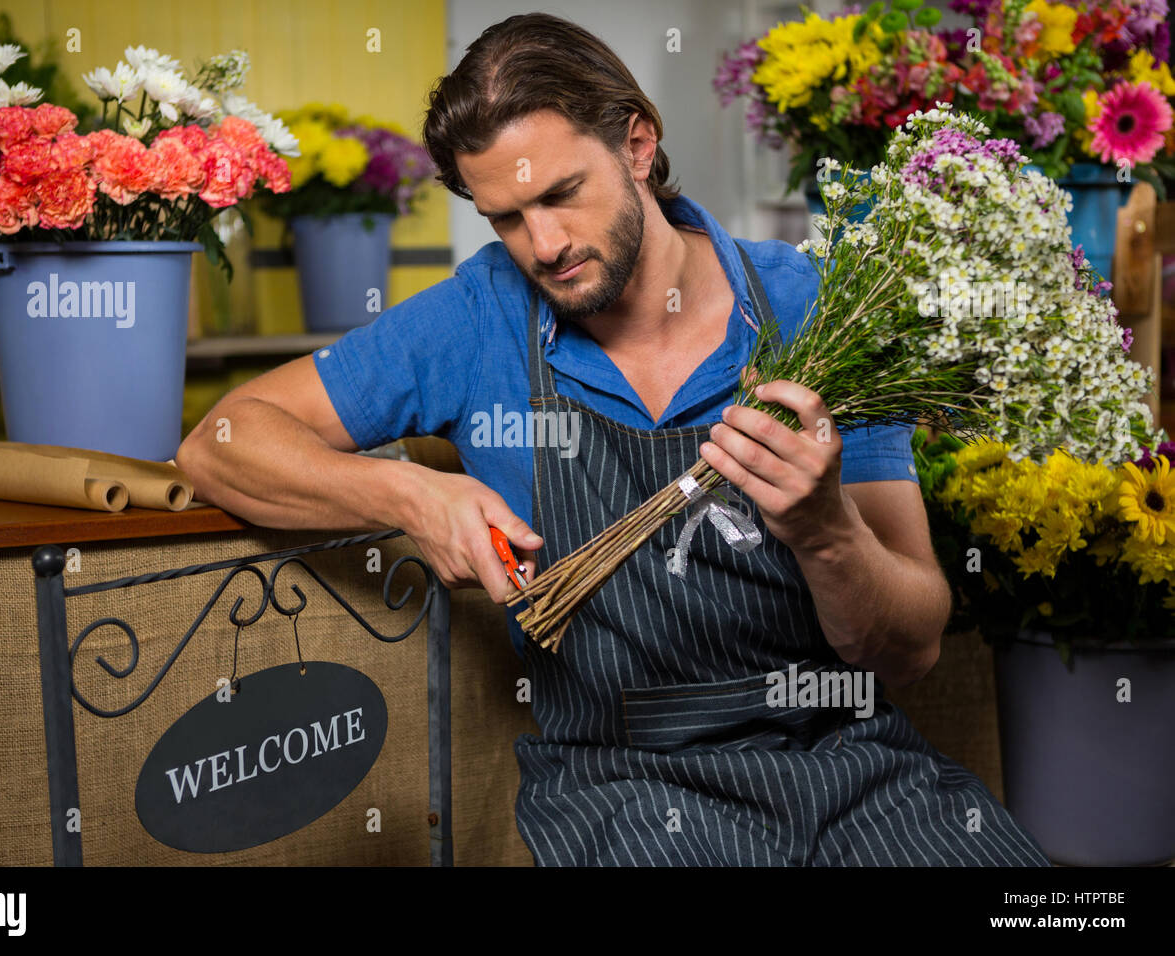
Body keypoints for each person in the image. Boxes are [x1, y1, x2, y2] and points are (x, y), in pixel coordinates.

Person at [177, 13, 1050, 867]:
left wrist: (826, 529)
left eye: (561, 194)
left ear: (637, 144)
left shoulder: (814, 306)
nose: (544, 246)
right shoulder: (480, 315)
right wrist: (409, 495)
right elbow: (218, 441)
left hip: (853, 761)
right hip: (627, 786)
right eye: (506, 219)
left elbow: (909, 649)